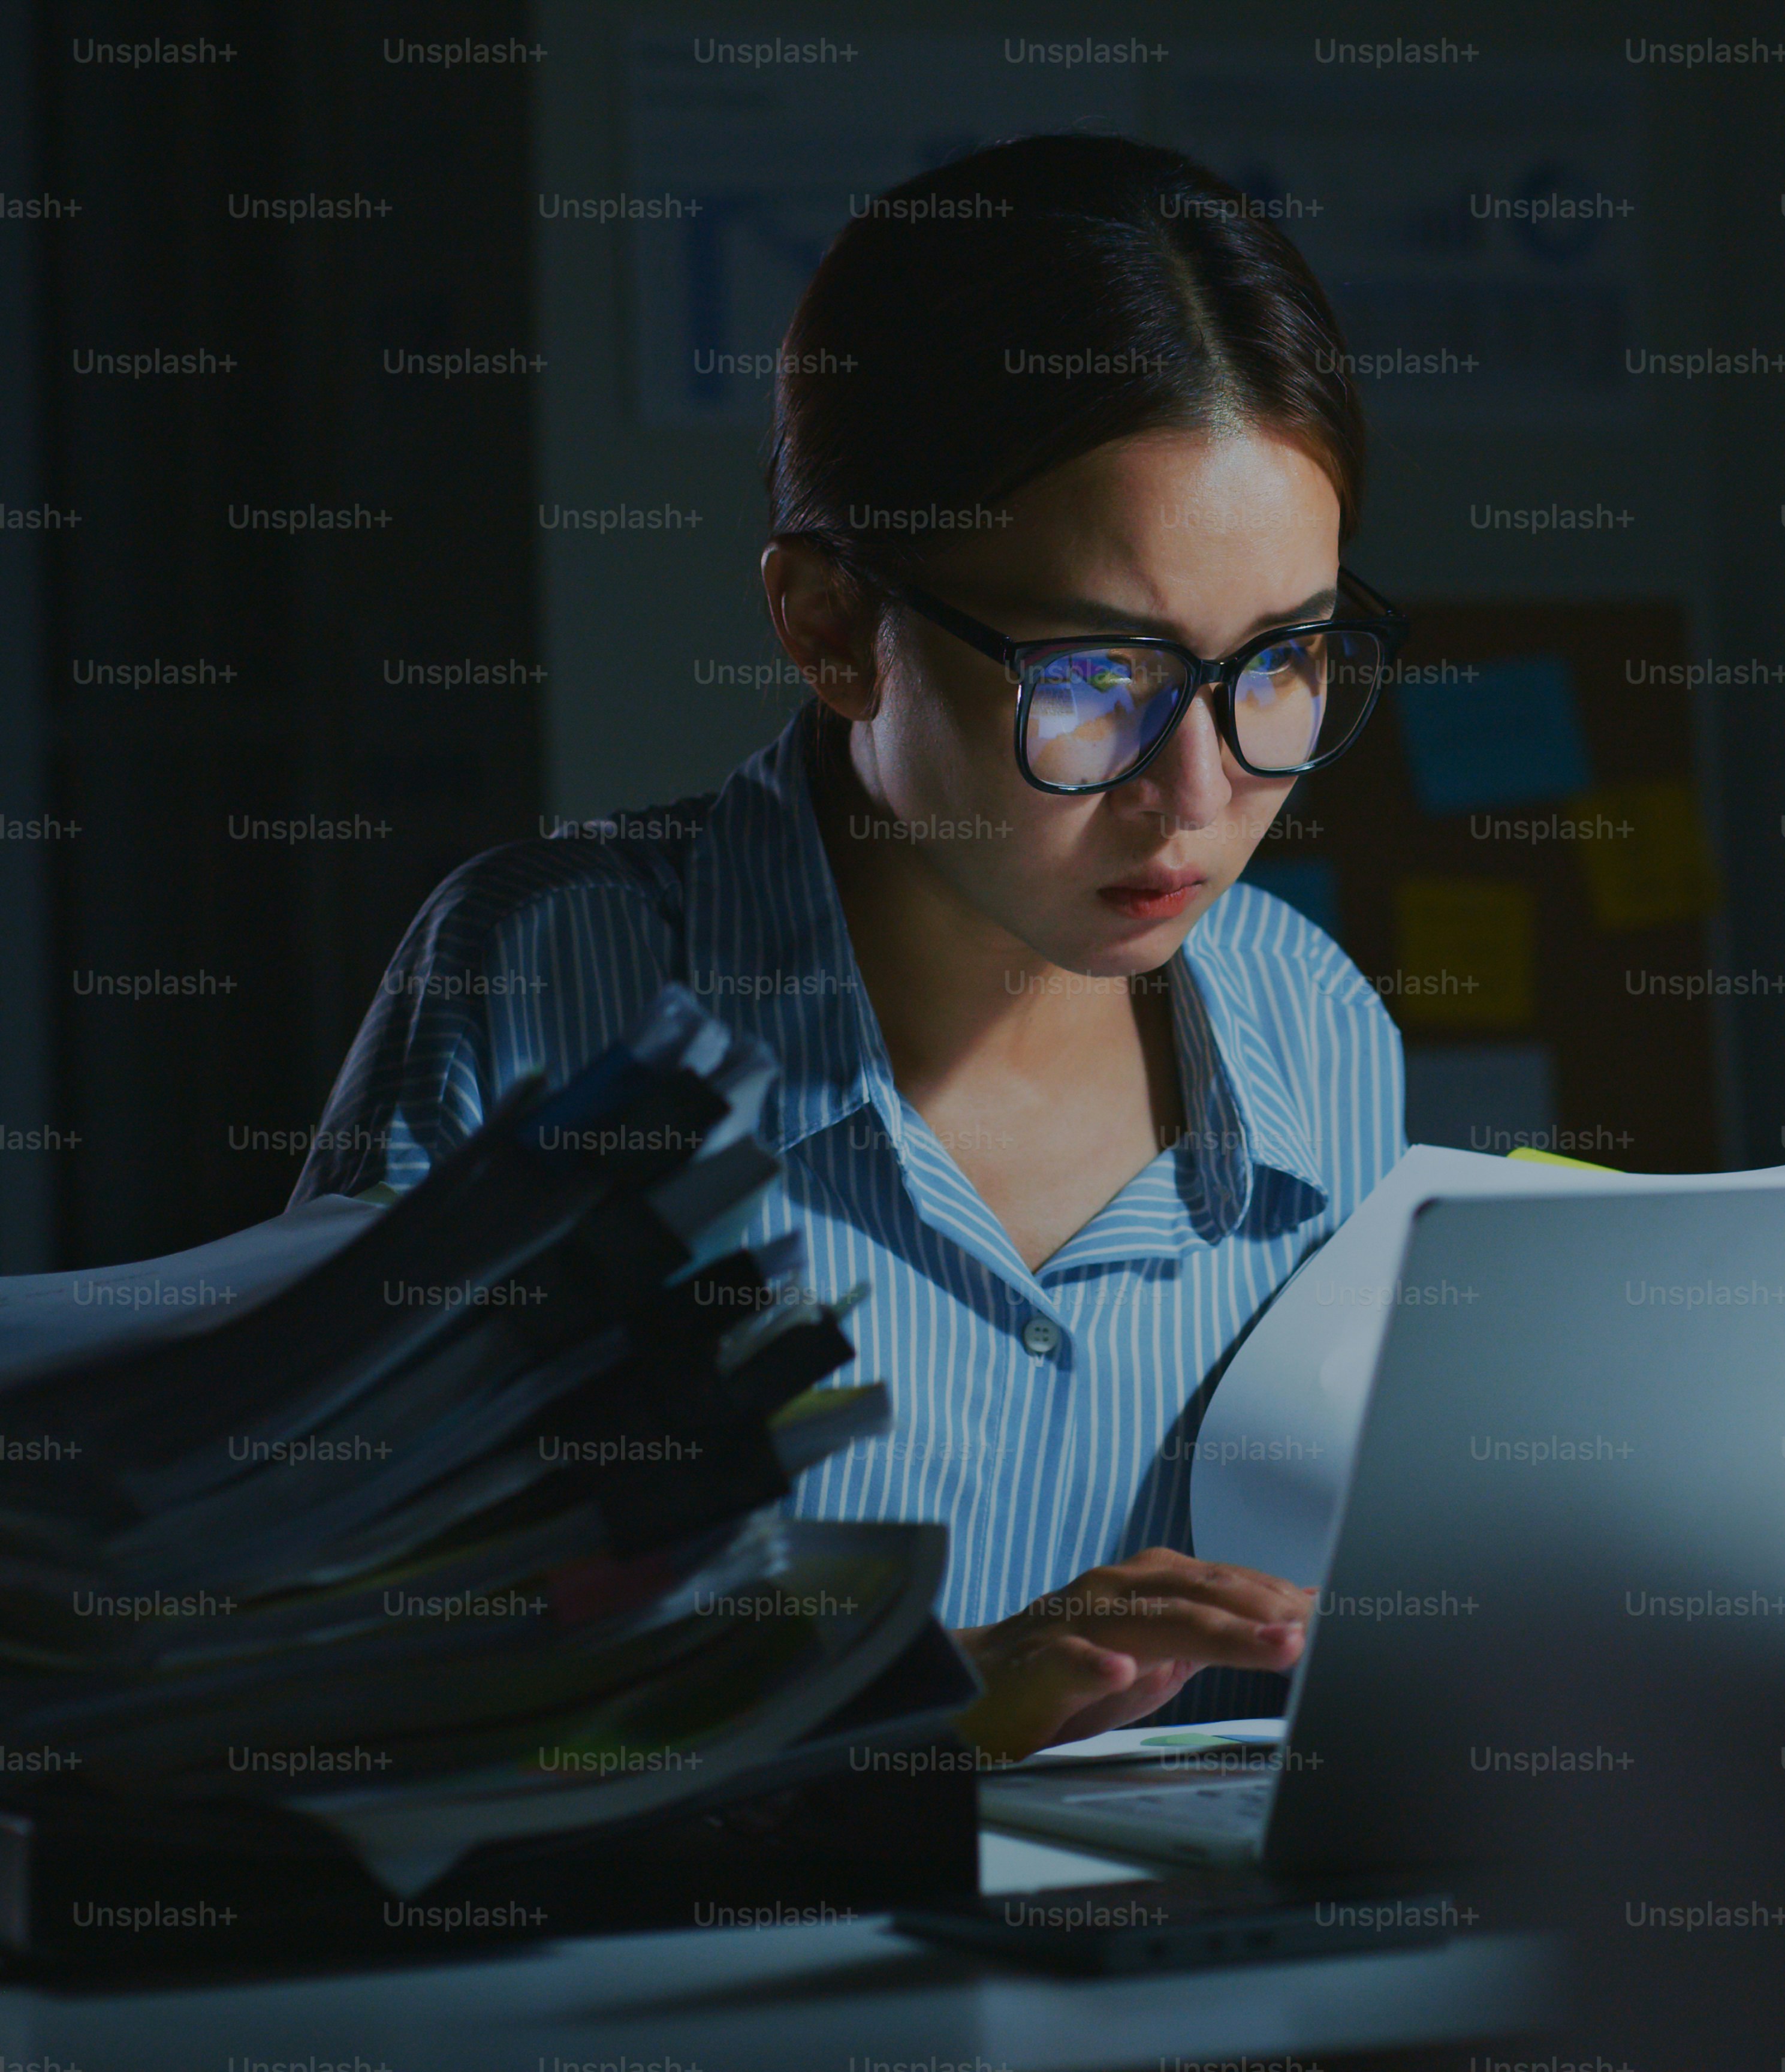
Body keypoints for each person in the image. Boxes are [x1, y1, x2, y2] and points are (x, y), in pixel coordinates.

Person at [294, 133, 1409, 1760]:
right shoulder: (547, 989)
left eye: (1286, 661)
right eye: (1099, 675)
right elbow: (337, 1668)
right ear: (829, 625)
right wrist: (917, 1709)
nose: (1202, 789)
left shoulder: (1320, 1031)